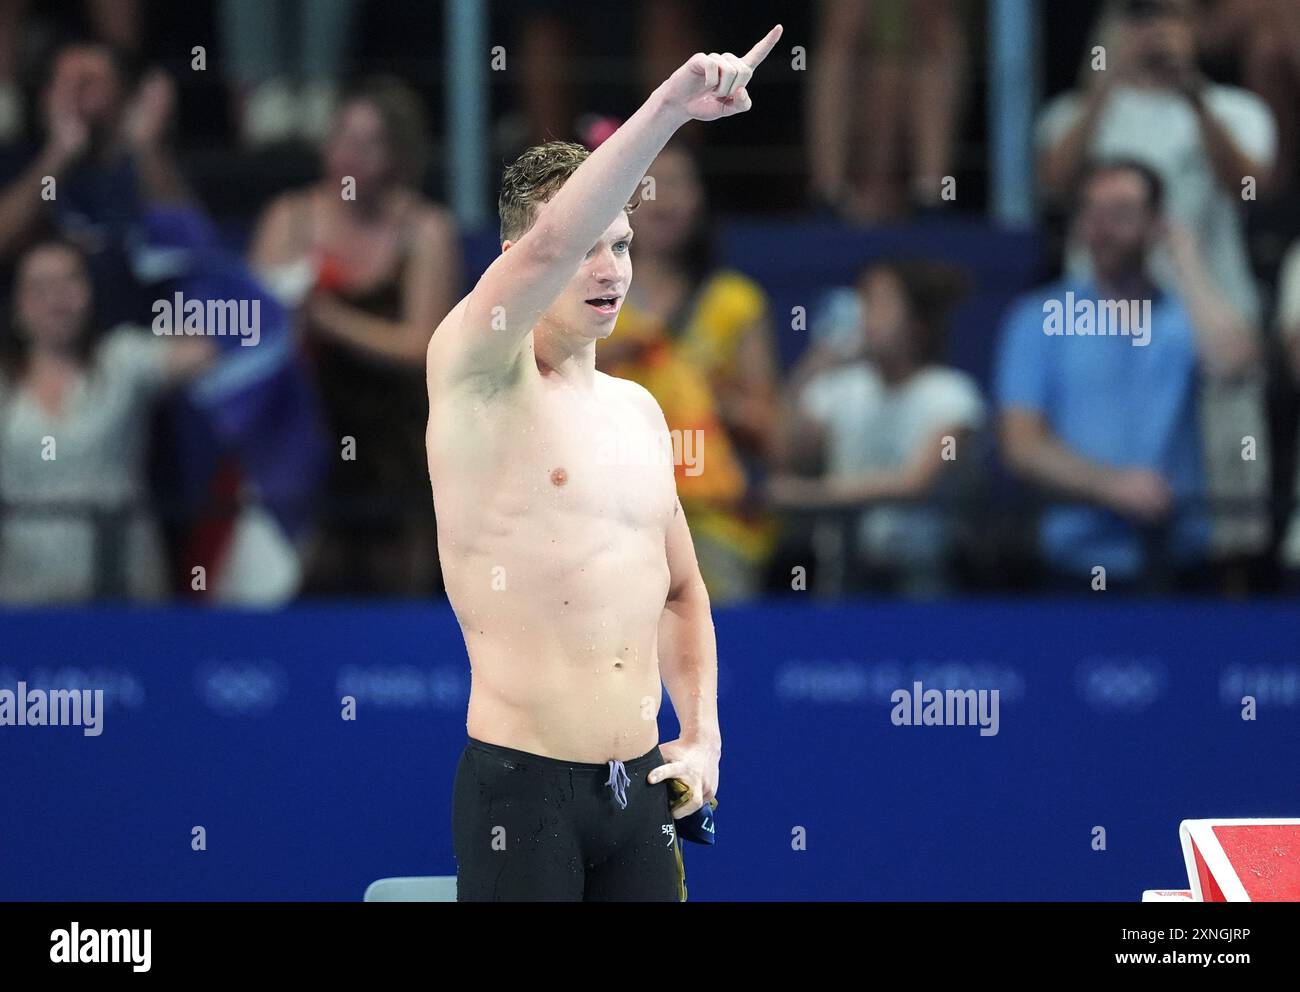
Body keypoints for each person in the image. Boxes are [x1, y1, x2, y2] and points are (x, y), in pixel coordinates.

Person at [426, 25, 784, 901]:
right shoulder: (474, 370)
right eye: (590, 243)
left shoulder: (638, 411)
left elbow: (681, 591)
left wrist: (701, 738)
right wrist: (671, 108)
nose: (609, 267)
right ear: (512, 260)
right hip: (523, 789)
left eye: (622, 244)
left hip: (635, 800)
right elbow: (551, 245)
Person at [1036, 0, 1276, 577]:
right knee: (1118, 482)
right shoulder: (1075, 112)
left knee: (1228, 500)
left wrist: (1193, 95)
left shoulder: (1233, 109)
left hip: (1211, 317)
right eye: (1140, 22)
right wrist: (1103, 87)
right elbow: (1050, 186)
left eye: (1168, 21)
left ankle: (1231, 615)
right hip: (1107, 328)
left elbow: (1254, 188)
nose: (1155, 35)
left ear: (1192, 32)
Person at [995, 159, 1258, 592]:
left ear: (1157, 224)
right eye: (1090, 213)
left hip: (1176, 560)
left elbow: (1235, 364)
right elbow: (1021, 445)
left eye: (1119, 214)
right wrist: (1112, 486)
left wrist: (1187, 260)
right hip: (1075, 564)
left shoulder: (1181, 316)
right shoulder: (1040, 317)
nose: (1101, 229)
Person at [249, 77, 461, 597]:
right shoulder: (289, 218)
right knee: (306, 589)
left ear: (399, 154)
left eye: (371, 142)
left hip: (396, 439)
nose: (351, 154)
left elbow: (423, 349)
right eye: (342, 136)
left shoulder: (425, 230)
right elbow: (251, 338)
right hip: (304, 432)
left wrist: (327, 319)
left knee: (396, 593)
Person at [595, 142, 779, 604]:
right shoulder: (585, 295)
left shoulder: (735, 301)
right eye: (647, 183)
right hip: (603, 515)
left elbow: (767, 425)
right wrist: (612, 360)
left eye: (679, 183)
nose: (664, 197)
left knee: (720, 658)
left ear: (700, 199)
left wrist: (705, 391)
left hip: (710, 518)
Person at [0, 239, 211, 603]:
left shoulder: (124, 358)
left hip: (123, 586)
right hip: (22, 595)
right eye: (40, 288)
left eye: (71, 281)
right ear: (17, 305)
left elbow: (219, 346)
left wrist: (193, 250)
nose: (57, 299)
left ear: (90, 293)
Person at [769, 259, 985, 597]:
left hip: (925, 582)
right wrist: (813, 366)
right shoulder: (840, 388)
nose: (865, 316)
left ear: (918, 322)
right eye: (863, 301)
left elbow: (914, 485)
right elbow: (788, 455)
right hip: (843, 578)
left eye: (881, 304)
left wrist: (807, 495)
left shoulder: (952, 394)